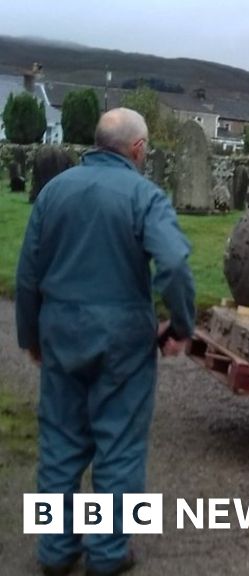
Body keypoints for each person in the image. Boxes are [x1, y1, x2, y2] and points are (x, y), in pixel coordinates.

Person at [15, 108, 195, 576]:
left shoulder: (54, 191)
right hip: (123, 339)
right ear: (137, 149)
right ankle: (108, 553)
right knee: (119, 446)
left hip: (60, 331)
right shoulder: (145, 195)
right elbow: (173, 264)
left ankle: (55, 551)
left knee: (59, 443)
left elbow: (29, 272)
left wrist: (30, 336)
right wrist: (179, 326)